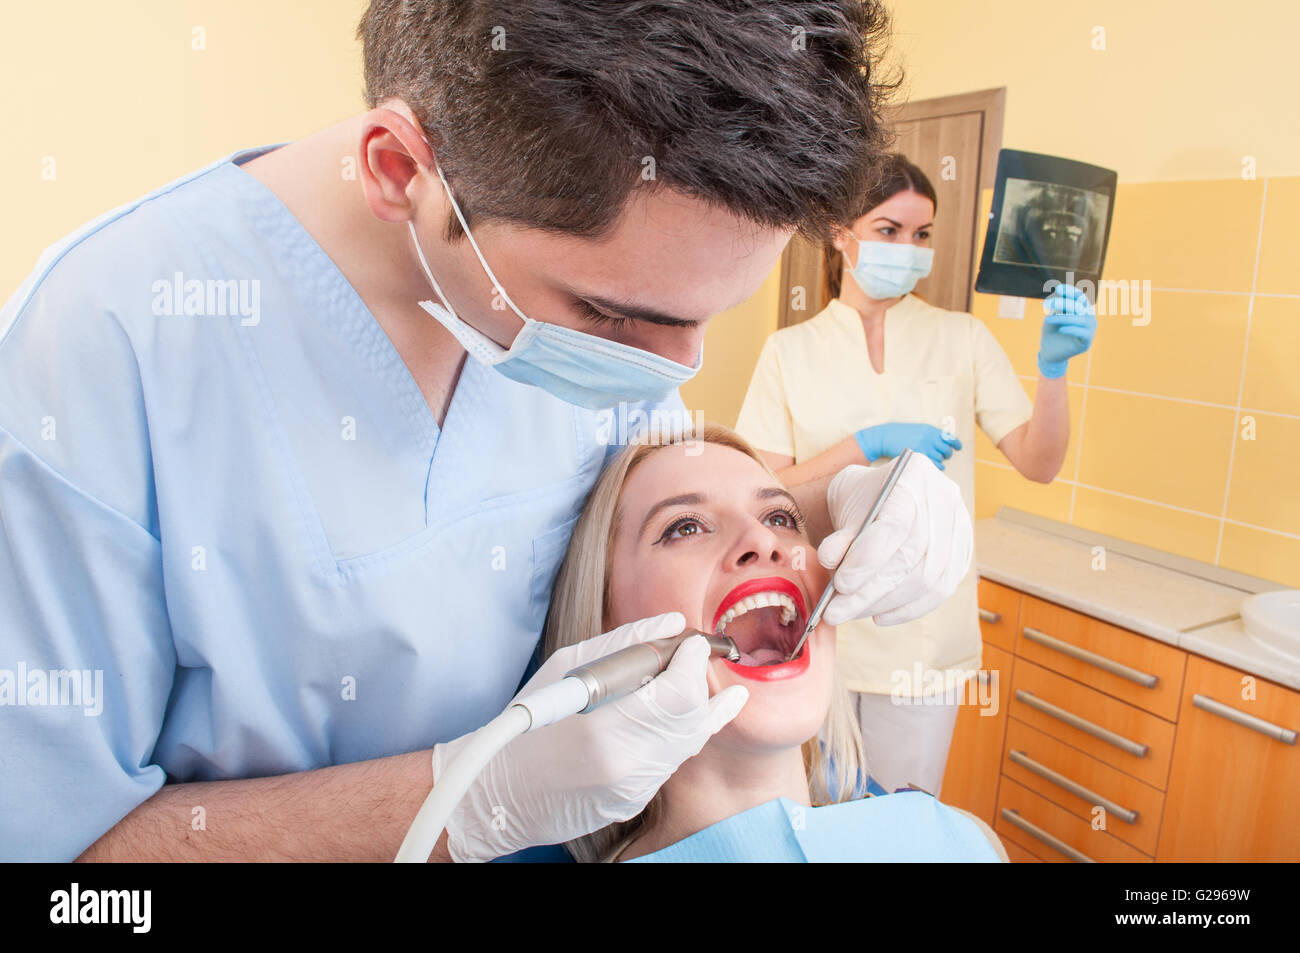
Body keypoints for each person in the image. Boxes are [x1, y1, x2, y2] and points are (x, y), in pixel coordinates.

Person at [0, 3, 974, 862]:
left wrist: (844, 499)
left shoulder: (602, 309)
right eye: (607, 311)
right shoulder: (104, 344)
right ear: (401, 170)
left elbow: (665, 510)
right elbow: (55, 846)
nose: (675, 364)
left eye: (712, 312)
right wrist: (465, 798)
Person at [735, 154, 1095, 797]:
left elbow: (1039, 463)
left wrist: (1055, 371)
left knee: (900, 828)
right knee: (809, 810)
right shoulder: (789, 352)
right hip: (819, 625)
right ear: (839, 233)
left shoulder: (964, 338)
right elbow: (770, 496)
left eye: (922, 234)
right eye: (889, 230)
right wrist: (862, 446)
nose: (909, 248)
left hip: (924, 635)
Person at [535, 421, 1007, 862]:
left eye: (780, 517)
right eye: (685, 526)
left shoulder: (961, 841)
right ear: (603, 621)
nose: (762, 538)